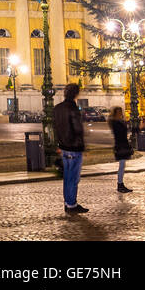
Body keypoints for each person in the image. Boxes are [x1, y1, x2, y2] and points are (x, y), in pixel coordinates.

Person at [54, 82, 87, 214]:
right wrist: (82, 146)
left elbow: (55, 128)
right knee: (73, 178)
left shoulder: (57, 108)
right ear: (76, 94)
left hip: (63, 147)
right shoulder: (73, 108)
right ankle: (72, 204)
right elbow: (78, 129)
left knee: (67, 177)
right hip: (74, 148)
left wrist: (58, 144)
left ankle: (68, 203)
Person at [109, 106, 134, 193]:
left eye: (121, 112)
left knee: (122, 166)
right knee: (121, 166)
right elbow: (121, 134)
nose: (121, 113)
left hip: (122, 145)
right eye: (119, 112)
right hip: (120, 146)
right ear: (116, 113)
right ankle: (120, 185)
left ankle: (120, 184)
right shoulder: (115, 123)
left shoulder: (118, 122)